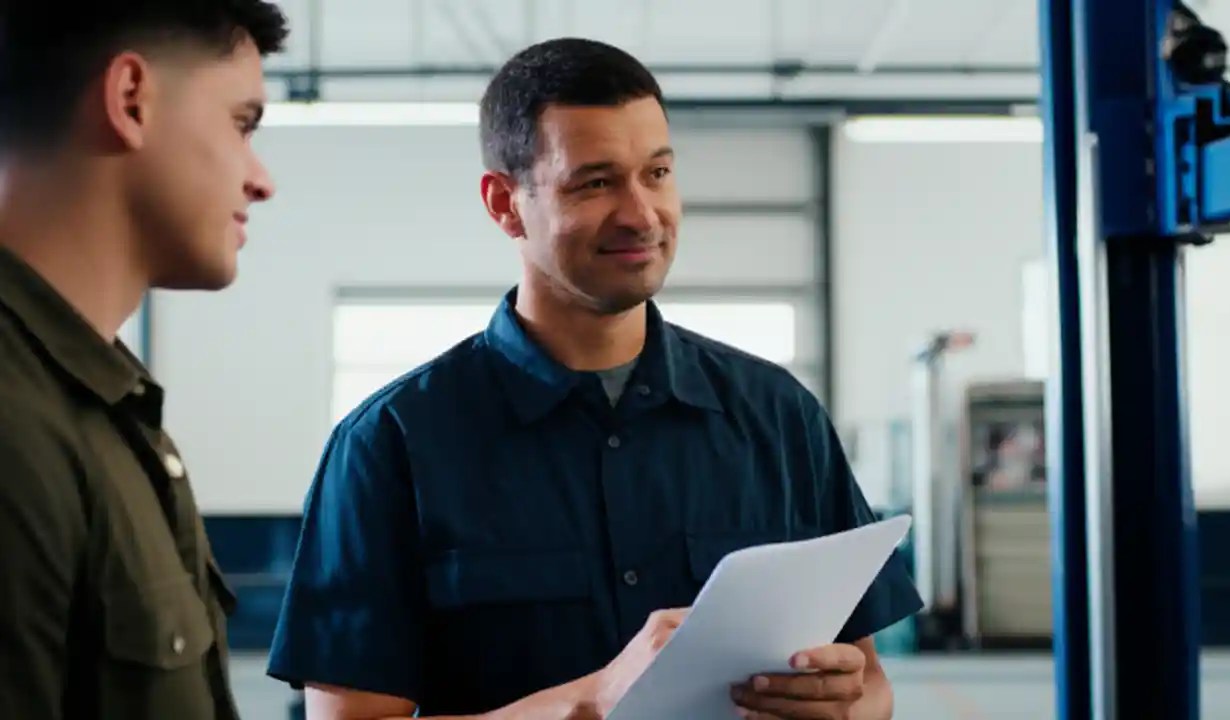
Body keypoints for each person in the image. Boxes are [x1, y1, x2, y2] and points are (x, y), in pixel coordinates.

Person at [267, 37, 922, 720]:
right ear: (505, 203)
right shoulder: (391, 445)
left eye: (658, 173)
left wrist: (843, 707)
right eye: (596, 182)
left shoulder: (780, 417)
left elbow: (869, 683)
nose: (642, 214)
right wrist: (588, 705)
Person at [0, 4, 288, 719]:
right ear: (131, 99)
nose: (261, 180)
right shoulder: (16, 418)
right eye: (241, 123)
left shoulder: (102, 407)